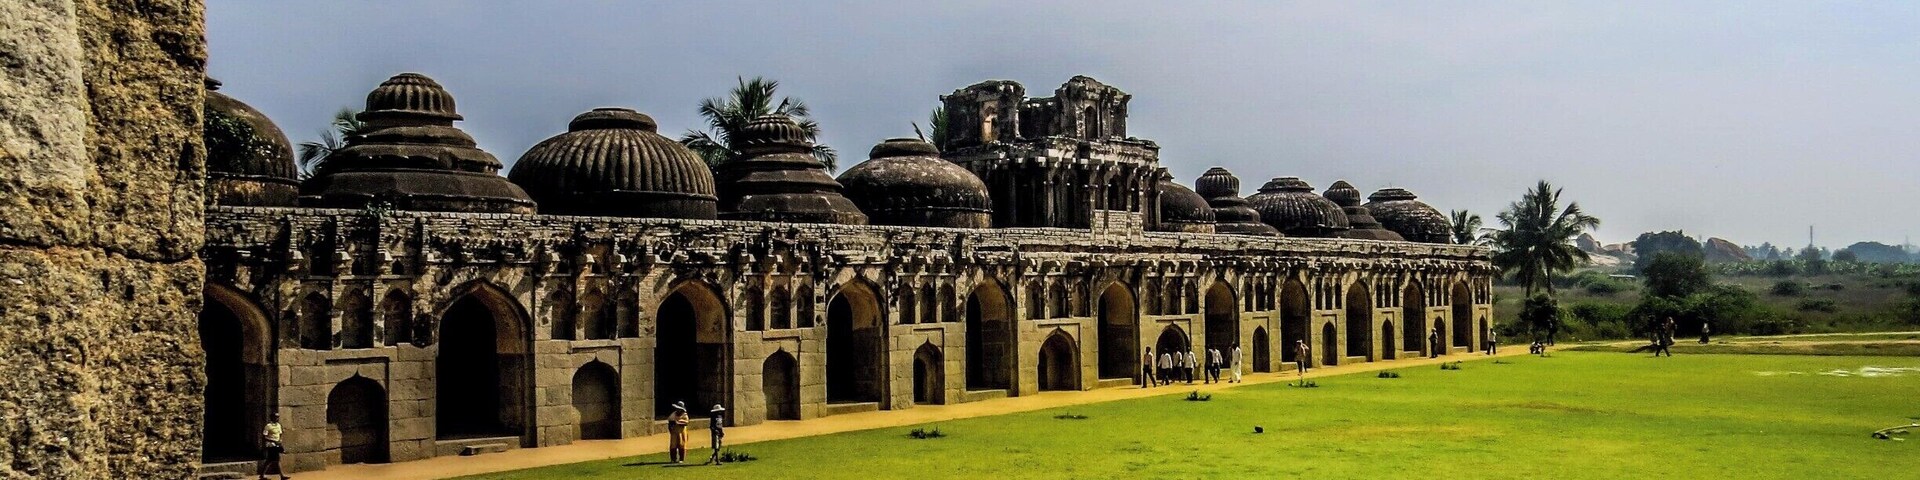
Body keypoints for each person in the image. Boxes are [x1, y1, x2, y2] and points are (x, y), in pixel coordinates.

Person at [258, 412, 287, 480]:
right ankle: (281, 476)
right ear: (272, 418)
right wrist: (273, 441)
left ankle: (262, 475)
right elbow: (264, 436)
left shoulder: (278, 425)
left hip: (277, 445)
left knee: (270, 460)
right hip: (271, 445)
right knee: (276, 460)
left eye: (278, 417)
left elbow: (280, 434)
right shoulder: (268, 426)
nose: (277, 418)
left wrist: (279, 441)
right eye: (276, 417)